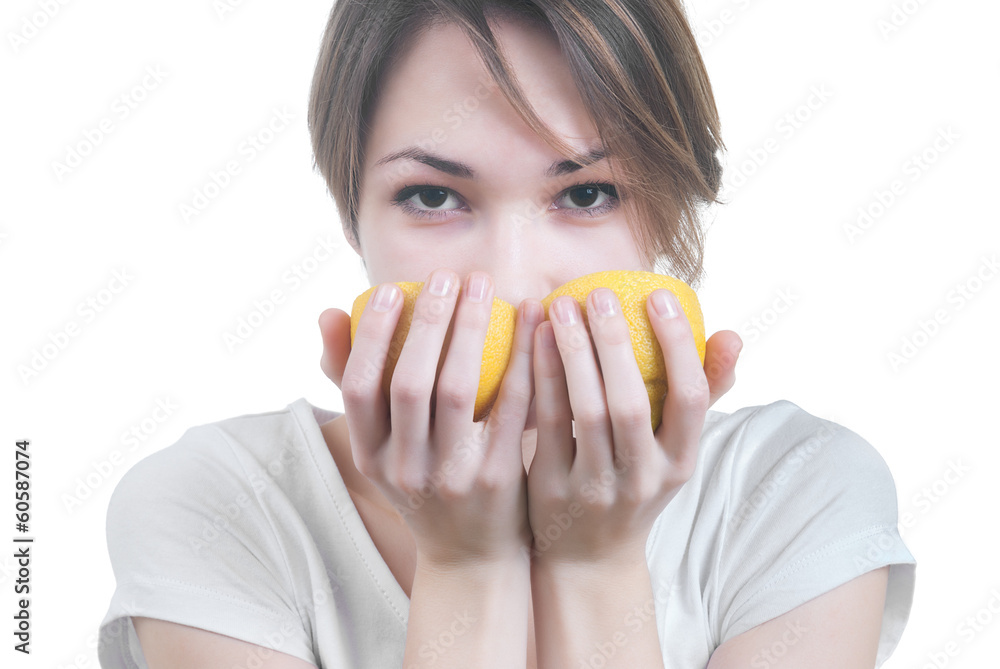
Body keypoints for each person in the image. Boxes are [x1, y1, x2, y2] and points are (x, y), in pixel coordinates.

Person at [98, 1, 916, 667]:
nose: (515, 280)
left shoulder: (797, 496)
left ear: (666, 212)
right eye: (431, 196)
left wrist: (592, 562)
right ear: (352, 218)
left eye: (589, 194)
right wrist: (467, 565)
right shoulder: (217, 508)